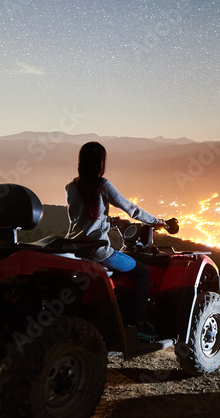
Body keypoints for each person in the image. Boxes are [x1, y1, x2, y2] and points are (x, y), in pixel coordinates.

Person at [65, 141, 169, 335]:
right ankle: (137, 324)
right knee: (142, 271)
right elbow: (132, 209)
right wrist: (157, 222)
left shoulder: (70, 187)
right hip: (99, 252)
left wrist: (108, 218)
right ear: (100, 163)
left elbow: (78, 218)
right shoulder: (102, 185)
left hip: (74, 249)